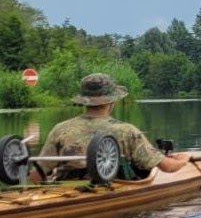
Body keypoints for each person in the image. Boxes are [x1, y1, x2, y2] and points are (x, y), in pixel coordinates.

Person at [30, 73, 191, 182]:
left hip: (65, 190)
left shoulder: (60, 129)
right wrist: (185, 160)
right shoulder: (126, 131)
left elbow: (37, 174)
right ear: (111, 101)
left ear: (84, 101)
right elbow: (168, 167)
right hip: (108, 192)